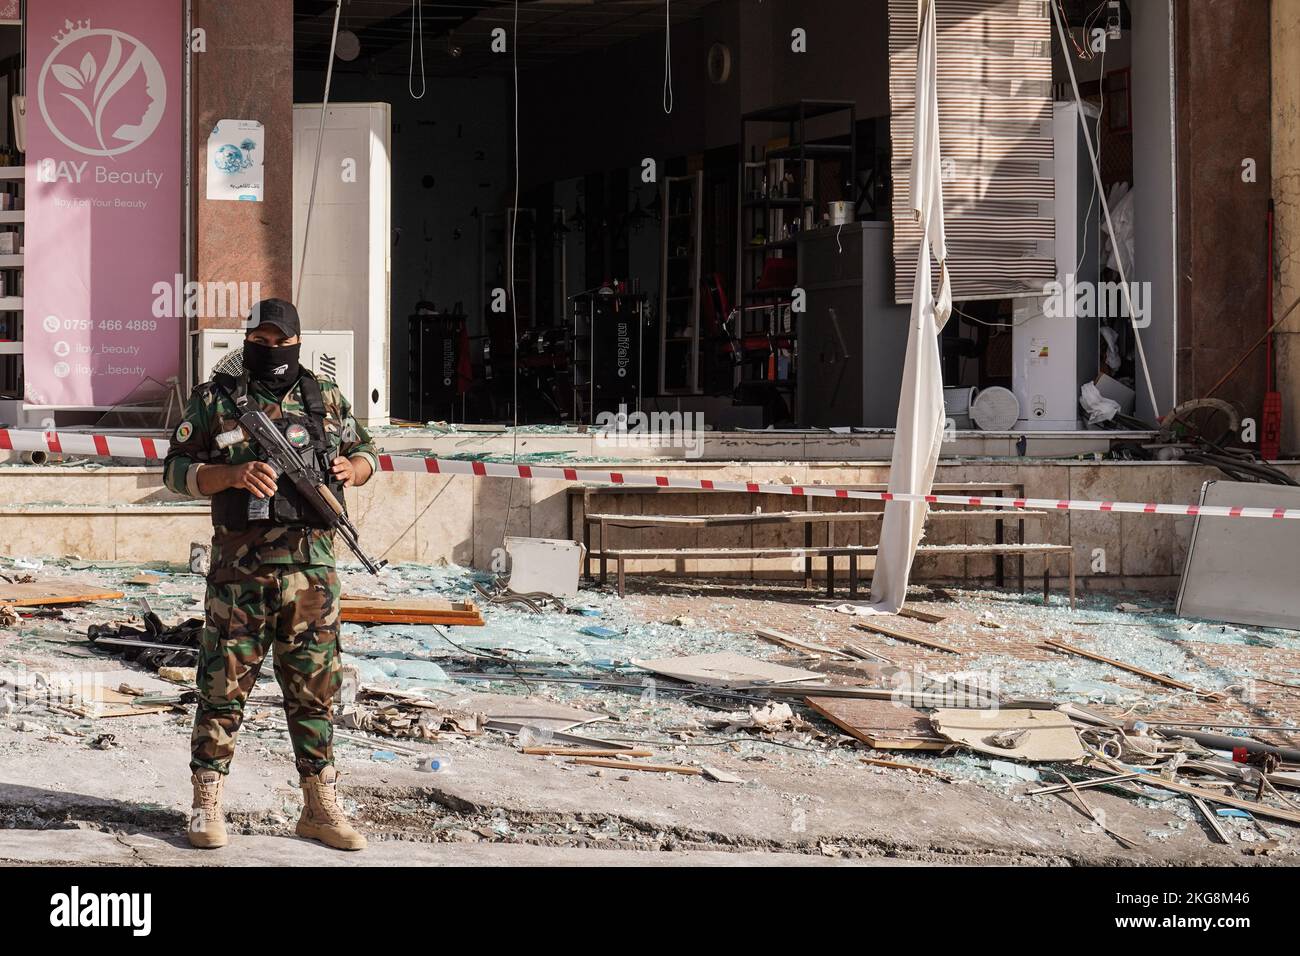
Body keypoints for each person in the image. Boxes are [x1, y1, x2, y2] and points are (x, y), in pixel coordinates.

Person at [163, 298, 378, 851]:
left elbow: (367, 453)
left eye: (279, 342)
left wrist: (348, 471)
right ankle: (206, 801)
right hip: (240, 575)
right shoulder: (216, 399)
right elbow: (175, 471)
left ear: (296, 343)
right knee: (222, 688)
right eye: (258, 341)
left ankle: (319, 804)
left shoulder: (322, 396)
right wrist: (230, 473)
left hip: (312, 578)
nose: (268, 350)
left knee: (315, 693)